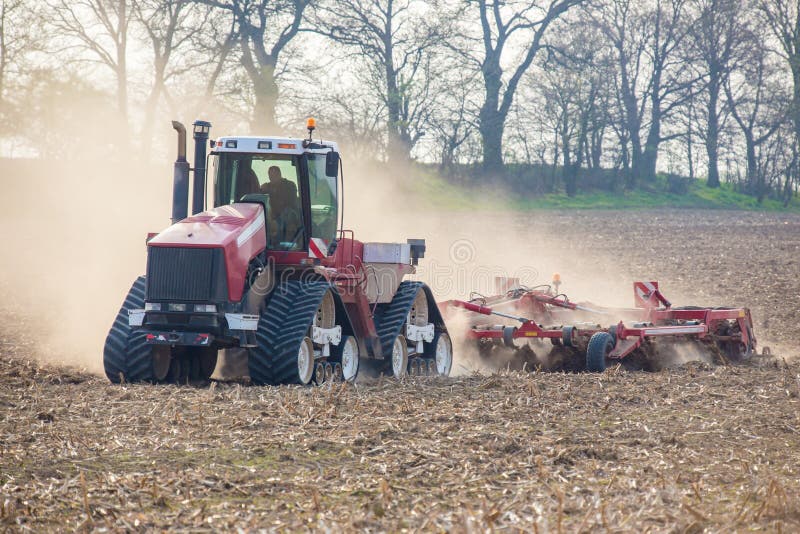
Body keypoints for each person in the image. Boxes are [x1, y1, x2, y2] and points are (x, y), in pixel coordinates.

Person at [260, 166, 301, 244]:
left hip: (288, 215)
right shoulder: (267, 187)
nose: (272, 178)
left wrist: (276, 221)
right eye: (270, 176)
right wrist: (261, 190)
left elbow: (289, 203)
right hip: (270, 216)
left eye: (275, 175)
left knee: (288, 212)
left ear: (280, 174)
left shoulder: (290, 185)